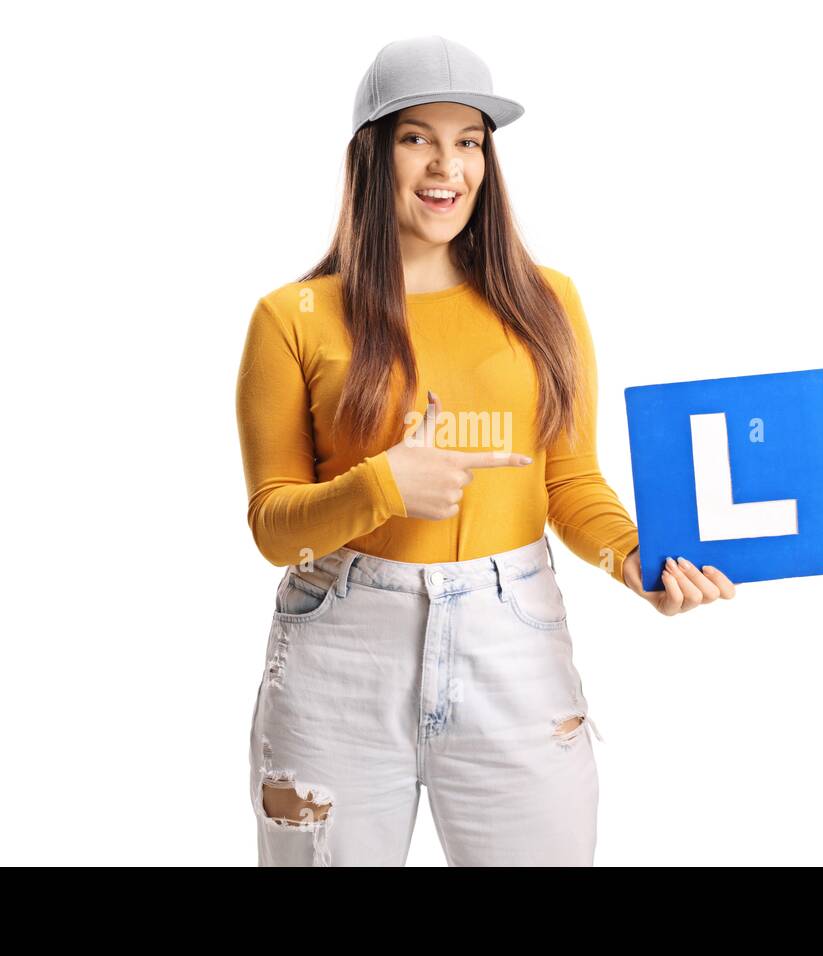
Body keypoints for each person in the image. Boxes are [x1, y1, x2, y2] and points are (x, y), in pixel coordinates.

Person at [235, 35, 735, 866]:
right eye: (417, 138)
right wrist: (381, 485)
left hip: (515, 641)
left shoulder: (546, 303)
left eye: (468, 140)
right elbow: (273, 529)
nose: (447, 166)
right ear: (371, 155)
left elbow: (569, 480)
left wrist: (639, 561)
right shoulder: (292, 317)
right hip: (342, 651)